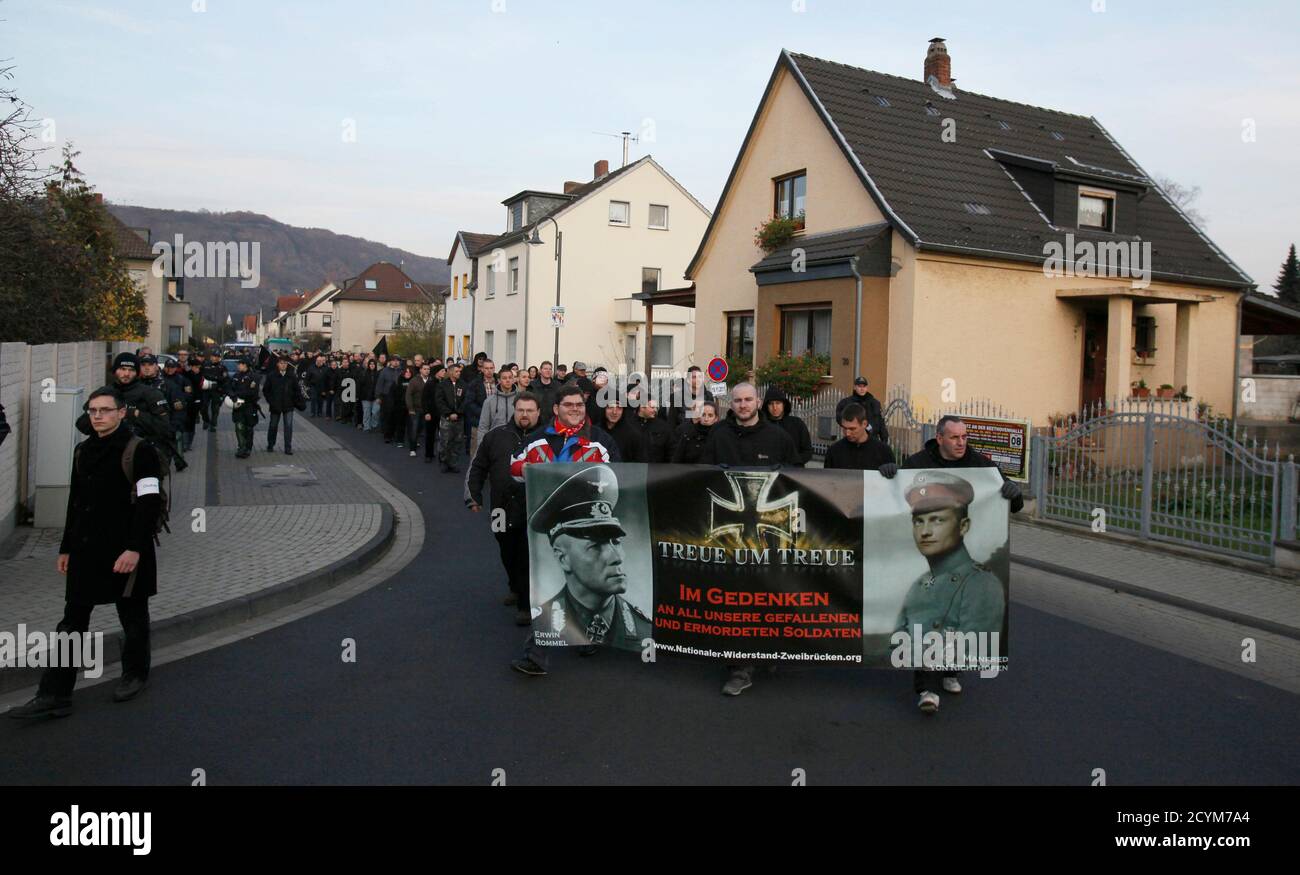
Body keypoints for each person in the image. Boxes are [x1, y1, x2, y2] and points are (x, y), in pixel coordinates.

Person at [8, 387, 163, 719]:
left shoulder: (140, 451)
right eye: (92, 410)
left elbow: (150, 504)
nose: (98, 416)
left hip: (126, 549)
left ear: (121, 413)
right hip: (86, 551)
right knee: (72, 620)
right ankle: (55, 693)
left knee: (132, 617)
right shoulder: (83, 451)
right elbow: (75, 504)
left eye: (105, 410)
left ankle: (135, 674)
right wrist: (66, 547)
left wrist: (135, 549)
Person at [508, 383, 621, 677]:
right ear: (556, 409)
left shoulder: (600, 441)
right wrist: (533, 472)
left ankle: (580, 636)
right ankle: (538, 654)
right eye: (569, 405)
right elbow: (513, 467)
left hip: (585, 531)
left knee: (578, 588)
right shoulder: (537, 440)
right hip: (546, 529)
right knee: (546, 587)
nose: (575, 410)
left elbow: (619, 474)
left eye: (580, 405)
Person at [700, 382, 799, 696]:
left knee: (767, 595)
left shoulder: (779, 438)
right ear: (732, 403)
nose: (743, 405)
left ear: (758, 402)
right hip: (730, 533)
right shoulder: (718, 436)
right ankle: (740, 667)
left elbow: (799, 478)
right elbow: (700, 475)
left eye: (748, 400)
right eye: (738, 400)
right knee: (736, 598)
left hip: (769, 533)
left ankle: (766, 650)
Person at [894, 471, 1005, 715]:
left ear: (963, 525)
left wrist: (1012, 495)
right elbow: (899, 637)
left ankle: (946, 675)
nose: (924, 531)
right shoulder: (918, 584)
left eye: (937, 520)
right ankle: (926, 688)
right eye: (918, 521)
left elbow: (975, 640)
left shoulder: (981, 584)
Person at [526, 465, 652, 648]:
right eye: (595, 546)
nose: (617, 557)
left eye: (616, 541)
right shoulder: (543, 625)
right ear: (563, 558)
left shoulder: (645, 630)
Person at [466, 391, 541, 624]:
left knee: (526, 554)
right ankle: (514, 585)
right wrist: (474, 495)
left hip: (534, 507)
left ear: (538, 413)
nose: (525, 415)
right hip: (500, 507)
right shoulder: (496, 436)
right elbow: (478, 467)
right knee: (505, 547)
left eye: (530, 410)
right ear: (514, 411)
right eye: (521, 410)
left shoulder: (546, 439)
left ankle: (525, 605)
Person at [823, 403, 893, 470]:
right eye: (844, 428)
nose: (847, 433)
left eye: (852, 429)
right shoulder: (834, 452)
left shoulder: (883, 451)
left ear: (864, 424)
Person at [762, 385, 813, 467]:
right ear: (766, 406)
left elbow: (807, 451)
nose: (774, 407)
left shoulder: (797, 424)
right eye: (771, 404)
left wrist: (793, 463)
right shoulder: (762, 426)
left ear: (784, 404)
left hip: (794, 472)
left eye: (778, 403)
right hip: (769, 472)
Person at [835, 376, 889, 444]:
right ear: (855, 387)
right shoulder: (846, 403)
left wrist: (884, 440)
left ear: (867, 388)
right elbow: (839, 418)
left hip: (873, 441)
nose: (862, 389)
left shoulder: (875, 403)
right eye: (859, 386)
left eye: (864, 386)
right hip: (854, 441)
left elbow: (881, 423)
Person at [263, 355, 299, 455]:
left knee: (288, 426)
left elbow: (297, 390)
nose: (283, 365)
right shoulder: (272, 375)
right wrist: (271, 401)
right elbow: (266, 390)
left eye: (285, 363)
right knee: (273, 425)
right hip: (275, 405)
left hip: (288, 405)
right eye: (282, 363)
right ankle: (271, 444)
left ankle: (288, 447)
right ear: (278, 364)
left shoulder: (291, 376)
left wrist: (295, 401)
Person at [226, 358, 261, 459]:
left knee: (249, 428)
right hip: (238, 406)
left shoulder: (254, 377)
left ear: (245, 365)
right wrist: (232, 395)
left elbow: (252, 392)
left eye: (240, 364)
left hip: (250, 406)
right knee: (239, 427)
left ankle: (248, 448)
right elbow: (228, 387)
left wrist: (237, 394)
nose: (238, 366)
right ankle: (241, 447)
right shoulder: (236, 376)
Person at [435, 362, 466, 472]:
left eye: (460, 372)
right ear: (451, 372)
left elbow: (465, 400)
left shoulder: (463, 384)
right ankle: (444, 462)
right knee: (445, 441)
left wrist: (458, 412)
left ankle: (453, 463)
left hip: (459, 418)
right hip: (447, 418)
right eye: (457, 371)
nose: (459, 373)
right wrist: (448, 413)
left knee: (457, 441)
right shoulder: (443, 385)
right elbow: (439, 401)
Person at [465, 358, 496, 458]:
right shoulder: (474, 384)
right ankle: (473, 473)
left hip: (496, 423)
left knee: (493, 452)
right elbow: (469, 403)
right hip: (479, 422)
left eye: (491, 368)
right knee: (476, 453)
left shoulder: (499, 383)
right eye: (486, 368)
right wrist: (484, 413)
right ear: (482, 369)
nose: (489, 370)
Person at [478, 366, 519, 435]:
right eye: (504, 378)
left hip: (516, 440)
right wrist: (481, 445)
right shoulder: (489, 401)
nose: (508, 380)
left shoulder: (520, 398)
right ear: (499, 380)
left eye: (510, 377)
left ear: (513, 379)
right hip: (495, 440)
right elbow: (483, 427)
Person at [634, 395, 675, 463]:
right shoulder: (630, 424)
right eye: (652, 407)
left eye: (656, 407)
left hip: (657, 469)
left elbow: (671, 450)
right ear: (642, 407)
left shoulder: (663, 426)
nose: (655, 410)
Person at [421, 364, 446, 463]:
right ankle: (429, 454)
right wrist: (426, 412)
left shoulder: (444, 383)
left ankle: (442, 455)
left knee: (443, 436)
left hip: (442, 414)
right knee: (430, 435)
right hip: (431, 413)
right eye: (443, 371)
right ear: (437, 372)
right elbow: (424, 399)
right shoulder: (430, 384)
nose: (444, 372)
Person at [405, 363, 431, 458]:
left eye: (428, 369)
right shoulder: (414, 381)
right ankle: (412, 449)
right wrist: (410, 408)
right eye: (424, 369)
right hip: (415, 409)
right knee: (414, 429)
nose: (427, 370)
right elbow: (408, 395)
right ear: (420, 370)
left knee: (422, 429)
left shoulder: (430, 380)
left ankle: (427, 450)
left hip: (426, 410)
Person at [376, 358, 400, 442]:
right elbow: (380, 384)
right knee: (387, 416)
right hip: (386, 396)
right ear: (391, 362)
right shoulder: (385, 371)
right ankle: (387, 435)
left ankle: (394, 434)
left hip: (398, 397)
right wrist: (378, 396)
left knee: (396, 416)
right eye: (394, 360)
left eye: (397, 360)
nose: (395, 362)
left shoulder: (401, 371)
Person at [201, 351, 226, 431]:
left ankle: (213, 425)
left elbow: (224, 379)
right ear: (211, 357)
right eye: (214, 356)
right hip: (206, 390)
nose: (215, 358)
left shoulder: (222, 367)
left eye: (217, 356)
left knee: (215, 409)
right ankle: (206, 420)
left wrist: (214, 379)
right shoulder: (205, 365)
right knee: (203, 407)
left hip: (216, 390)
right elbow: (201, 376)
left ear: (219, 358)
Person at [359, 359, 380, 432]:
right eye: (370, 364)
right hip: (365, 397)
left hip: (376, 397)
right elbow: (360, 385)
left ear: (375, 365)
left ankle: (373, 425)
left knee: (375, 412)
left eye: (373, 364)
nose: (372, 365)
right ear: (368, 365)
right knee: (366, 413)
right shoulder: (364, 373)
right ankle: (366, 427)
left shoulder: (378, 374)